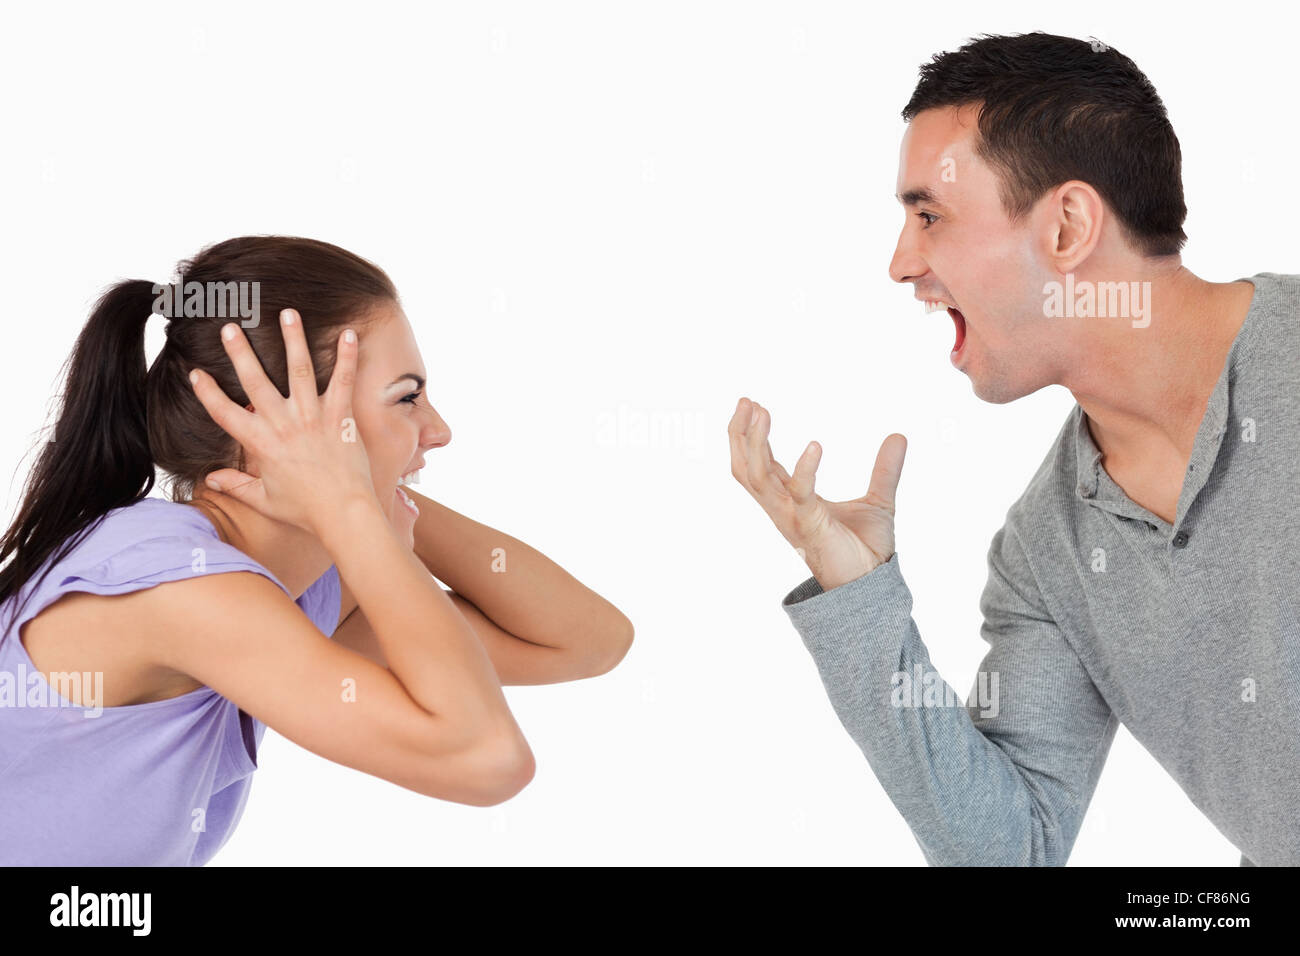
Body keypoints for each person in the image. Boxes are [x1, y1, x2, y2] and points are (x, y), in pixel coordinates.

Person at [728, 32, 1298, 865]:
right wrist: (861, 603)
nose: (900, 262)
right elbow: (1011, 853)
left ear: (1067, 225)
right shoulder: (1050, 551)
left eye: (930, 215)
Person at [0, 235, 633, 866]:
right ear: (273, 423)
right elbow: (487, 761)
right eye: (407, 397)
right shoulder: (177, 586)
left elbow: (587, 640)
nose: (439, 431)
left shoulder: (287, 587)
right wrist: (347, 502)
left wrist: (345, 491)